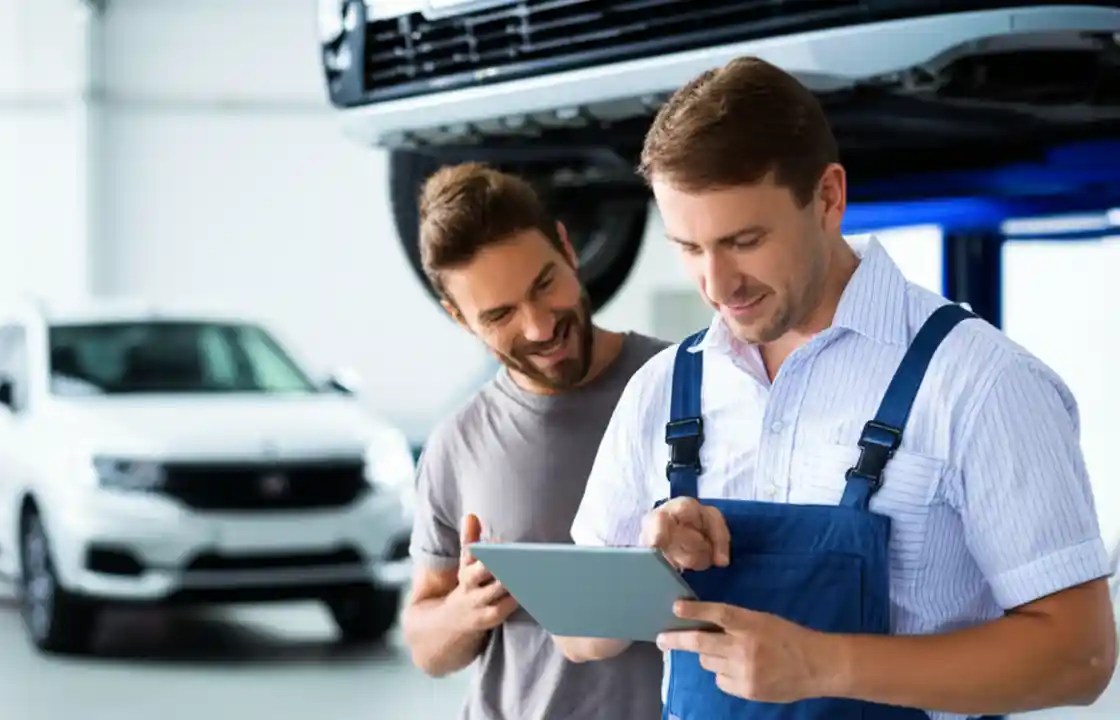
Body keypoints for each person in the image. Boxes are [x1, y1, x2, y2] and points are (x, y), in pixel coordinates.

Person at [555, 56, 1116, 720]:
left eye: (745, 240)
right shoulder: (662, 387)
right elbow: (577, 637)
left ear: (828, 197)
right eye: (689, 247)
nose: (717, 284)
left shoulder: (982, 383)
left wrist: (822, 665)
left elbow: (1080, 657)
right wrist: (644, 565)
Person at [400, 162, 668, 719]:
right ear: (459, 317)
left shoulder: (685, 384)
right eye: (499, 314)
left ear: (567, 248)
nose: (540, 328)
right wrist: (465, 610)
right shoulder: (457, 443)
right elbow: (426, 647)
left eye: (544, 286)